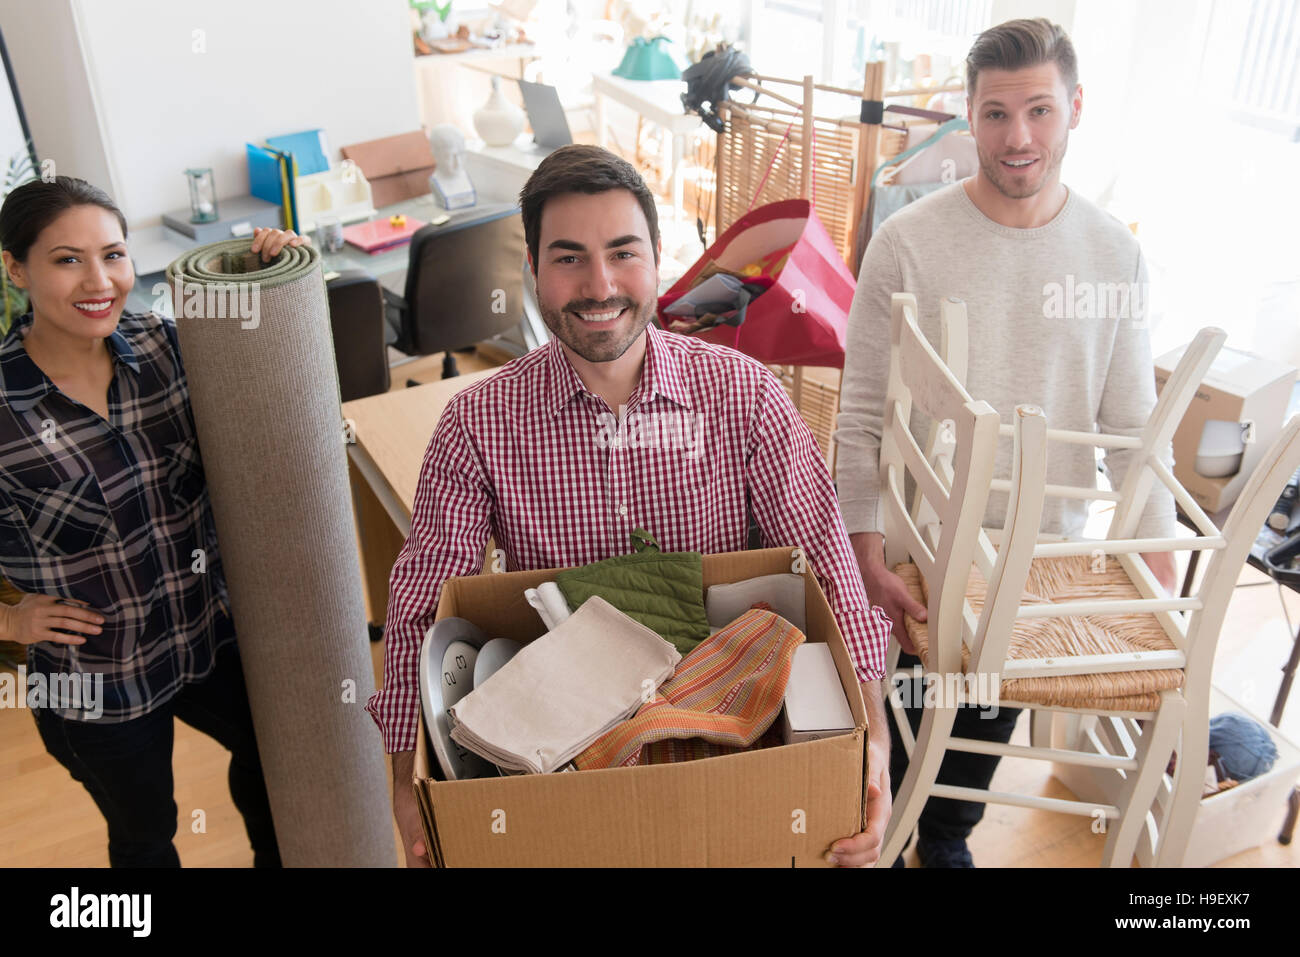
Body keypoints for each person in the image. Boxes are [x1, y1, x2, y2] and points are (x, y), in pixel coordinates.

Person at [366, 144, 896, 868]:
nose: (600, 284)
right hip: (571, 781)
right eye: (569, 258)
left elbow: (831, 573)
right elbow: (422, 610)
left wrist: (877, 745)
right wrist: (407, 781)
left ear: (658, 258)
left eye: (623, 252)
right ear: (532, 268)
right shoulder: (478, 423)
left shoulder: (744, 397)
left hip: (736, 765)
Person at [835, 18, 1178, 867]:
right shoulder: (907, 242)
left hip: (1044, 555)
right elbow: (861, 411)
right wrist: (865, 546)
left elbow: (1135, 431)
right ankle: (893, 827)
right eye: (995, 113)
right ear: (969, 115)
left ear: (1075, 109)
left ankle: (945, 837)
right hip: (924, 546)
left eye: (1038, 110)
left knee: (984, 723)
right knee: (908, 732)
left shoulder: (1113, 255)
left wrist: (1158, 564)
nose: (1018, 137)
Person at [0, 175, 303, 867]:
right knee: (146, 834)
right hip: (96, 685)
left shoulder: (168, 349)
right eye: (66, 259)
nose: (99, 280)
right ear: (16, 268)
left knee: (274, 757)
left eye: (113, 253)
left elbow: (276, 374)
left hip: (205, 638)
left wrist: (275, 270)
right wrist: (12, 624)